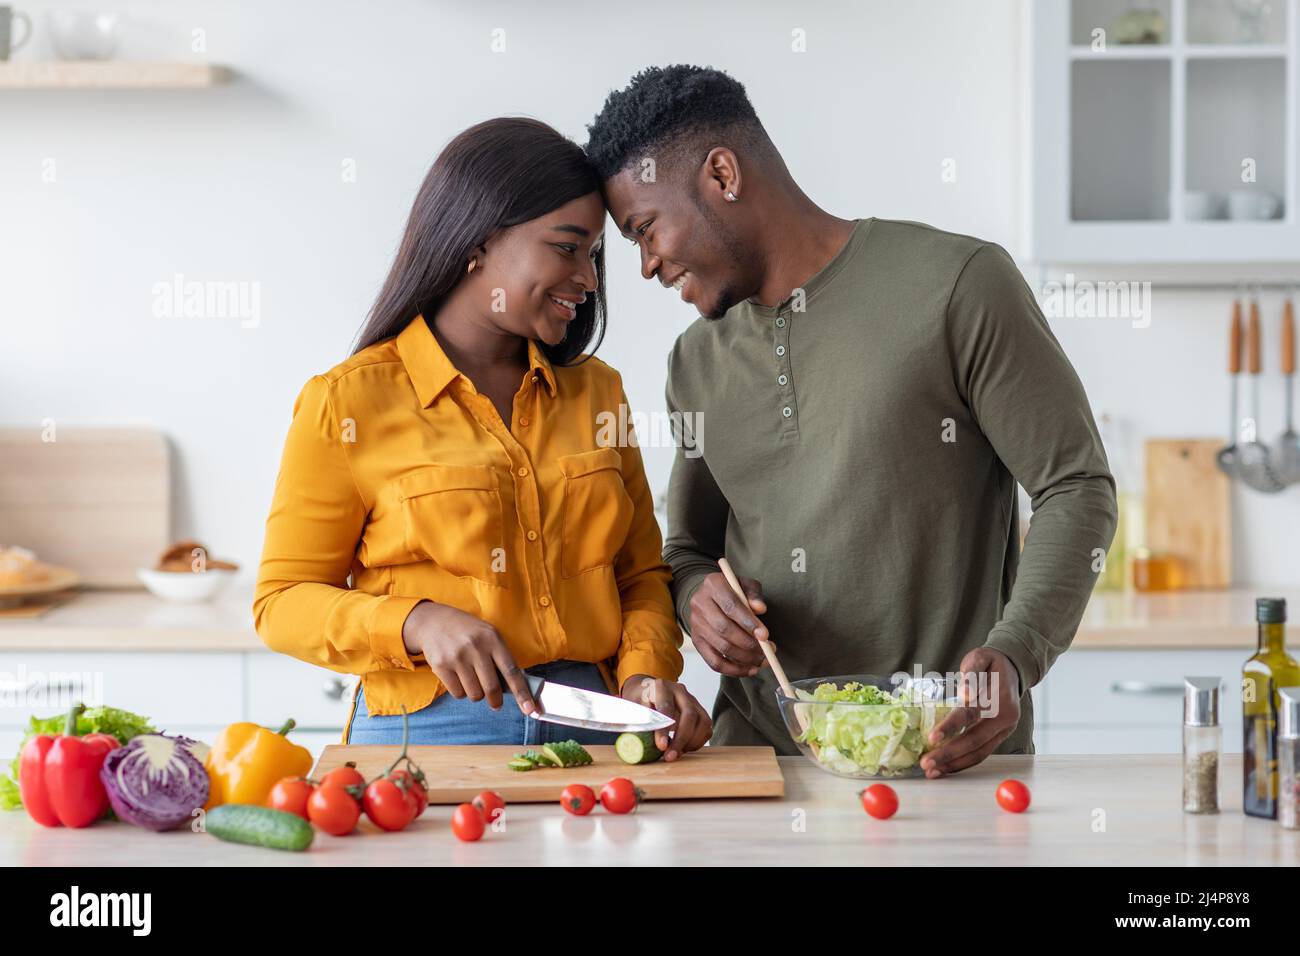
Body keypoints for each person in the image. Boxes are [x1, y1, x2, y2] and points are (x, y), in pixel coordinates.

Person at [584, 66, 1117, 776]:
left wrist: (1016, 655)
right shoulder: (695, 361)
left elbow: (1075, 484)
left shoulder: (959, 285)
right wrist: (698, 603)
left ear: (721, 174)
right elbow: (689, 549)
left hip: (941, 761)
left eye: (645, 231)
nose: (647, 266)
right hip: (758, 770)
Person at [253, 117, 711, 759]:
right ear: (480, 241)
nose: (591, 278)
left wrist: (645, 670)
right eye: (568, 247)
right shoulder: (348, 402)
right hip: (431, 730)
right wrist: (414, 622)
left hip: (596, 722)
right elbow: (281, 602)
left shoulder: (596, 392)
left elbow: (638, 573)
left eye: (595, 255)